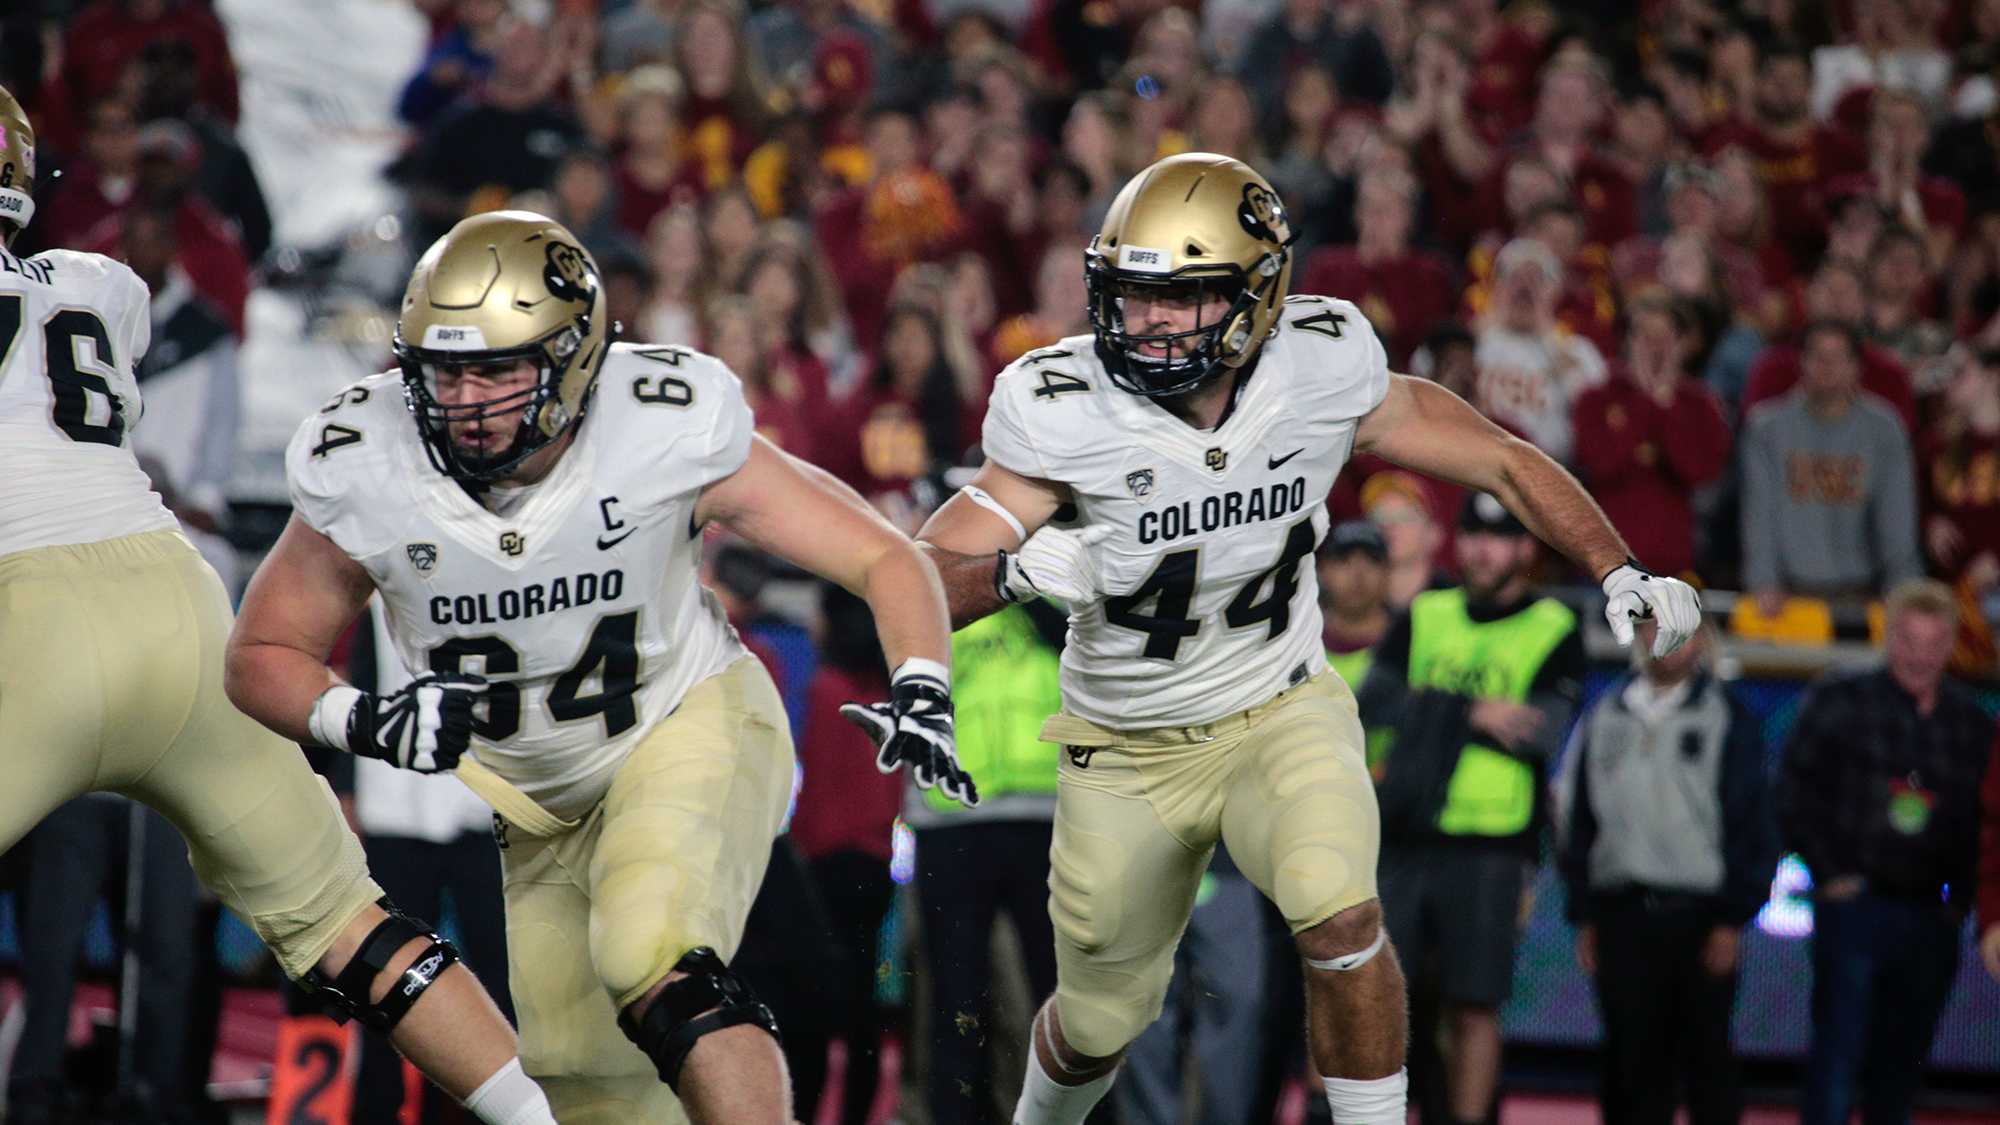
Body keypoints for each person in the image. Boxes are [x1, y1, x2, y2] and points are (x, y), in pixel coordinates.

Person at [912, 153, 1702, 1125]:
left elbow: (1496, 457)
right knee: (1099, 1018)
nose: (1146, 321)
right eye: (1130, 295)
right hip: (1124, 745)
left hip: (1275, 706)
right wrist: (1013, 571)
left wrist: (1616, 568)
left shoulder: (1320, 360)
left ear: (1257, 294)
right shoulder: (1063, 402)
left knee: (1342, 921)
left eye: (1180, 296)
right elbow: (916, 578)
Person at [224, 210, 975, 1125]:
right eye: (445, 369)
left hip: (683, 722)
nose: (465, 398)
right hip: (537, 803)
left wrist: (924, 682)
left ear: (574, 357)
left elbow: (884, 556)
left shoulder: (656, 424)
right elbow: (260, 654)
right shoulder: (371, 459)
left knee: (648, 951)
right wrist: (363, 719)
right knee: (583, 1083)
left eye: (497, 367)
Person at [0, 84, 558, 1125]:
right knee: (352, 922)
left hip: (29, 619)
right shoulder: (98, 284)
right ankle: (537, 1117)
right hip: (173, 602)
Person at [1360, 494, 1586, 1125]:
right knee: (1384, 1002)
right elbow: (1372, 695)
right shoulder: (1427, 611)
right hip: (1406, 829)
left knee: (1475, 1005)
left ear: (1525, 549)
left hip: (1492, 839)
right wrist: (1475, 712)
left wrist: (1430, 706)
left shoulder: (1552, 626)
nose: (1482, 551)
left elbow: (1543, 731)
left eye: (1499, 539)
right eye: (1472, 536)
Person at [1776, 580, 1996, 1125]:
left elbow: (1988, 824)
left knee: (1901, 1073)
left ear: (1952, 646)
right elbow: (1791, 793)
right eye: (1908, 640)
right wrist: (1828, 875)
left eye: (1934, 643)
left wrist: (1961, 902)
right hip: (1854, 907)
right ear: (1886, 637)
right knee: (1837, 1061)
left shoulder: (1972, 722)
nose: (1920, 656)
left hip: (1932, 918)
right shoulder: (1839, 699)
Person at [1554, 623, 1778, 1125]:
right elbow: (1580, 820)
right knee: (1629, 1060)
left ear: (1702, 640)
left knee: (1707, 1059)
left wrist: (1730, 919)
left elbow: (1752, 824)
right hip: (1621, 914)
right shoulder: (1605, 714)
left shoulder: (1729, 717)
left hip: (1698, 916)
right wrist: (1585, 913)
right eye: (1653, 627)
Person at [911, 592, 1066, 1125]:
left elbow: (1079, 639)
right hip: (948, 818)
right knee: (956, 997)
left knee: (1069, 997)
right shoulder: (924, 569)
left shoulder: (1058, 566)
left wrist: (1018, 576)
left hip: (1047, 815)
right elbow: (868, 644)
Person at [1740, 320, 1922, 615]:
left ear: (1856, 365)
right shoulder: (1766, 428)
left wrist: (1901, 590)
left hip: (1865, 593)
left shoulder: (1885, 429)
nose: (1828, 366)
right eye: (1818, 356)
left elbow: (1897, 519)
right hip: (1786, 596)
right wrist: (1764, 582)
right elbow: (1759, 516)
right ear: (1801, 362)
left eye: (1838, 357)